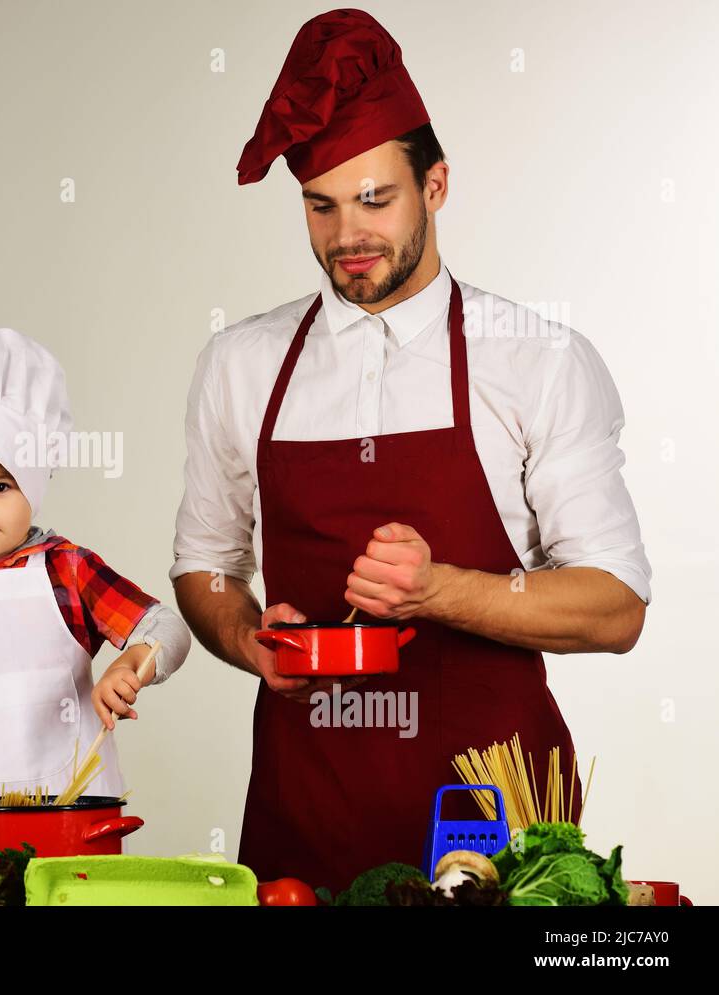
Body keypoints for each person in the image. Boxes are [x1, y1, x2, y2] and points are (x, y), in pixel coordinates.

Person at [170, 10, 650, 893]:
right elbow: (204, 562)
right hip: (301, 820)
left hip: (496, 827)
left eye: (374, 199)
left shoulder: (535, 358)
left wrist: (436, 590)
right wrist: (242, 633)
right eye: (321, 204)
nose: (347, 233)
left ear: (435, 185)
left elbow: (615, 605)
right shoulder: (241, 363)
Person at [0, 327, 191, 833]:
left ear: (34, 486)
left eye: (0, 486)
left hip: (78, 816)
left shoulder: (67, 568)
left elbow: (167, 628)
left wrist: (132, 665)